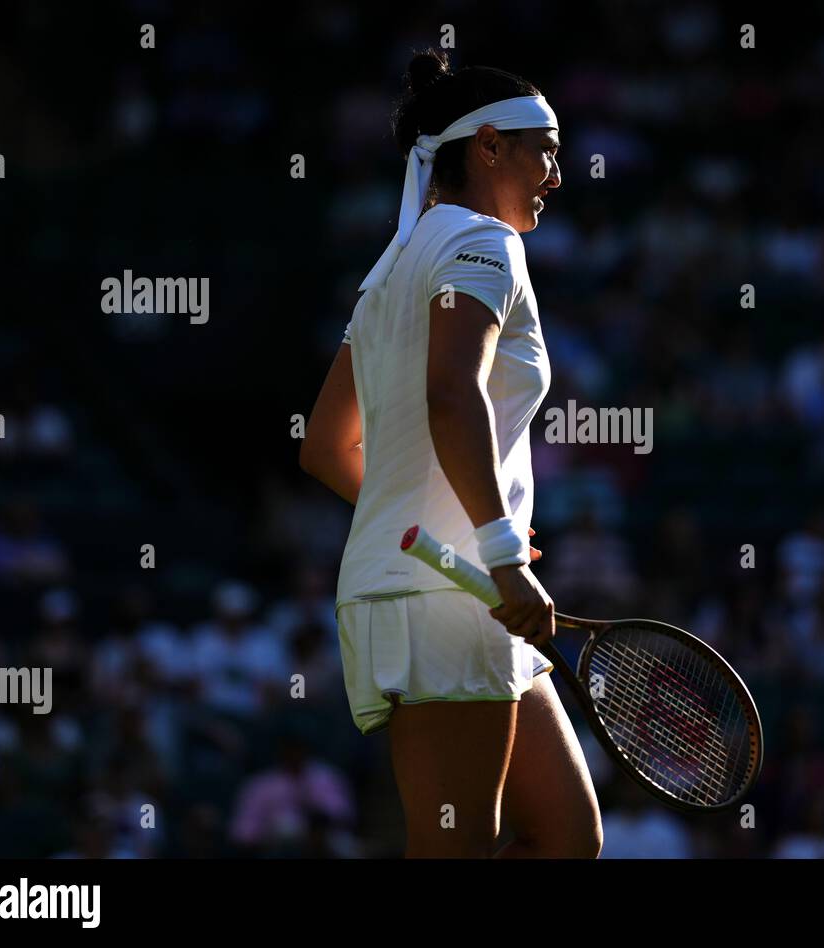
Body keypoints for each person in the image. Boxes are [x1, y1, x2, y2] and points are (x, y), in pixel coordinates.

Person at [300, 48, 601, 858]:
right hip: (449, 598)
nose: (557, 176)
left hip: (447, 585)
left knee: (568, 834)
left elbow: (328, 447)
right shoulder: (486, 246)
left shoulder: (390, 270)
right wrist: (498, 552)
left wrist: (454, 525)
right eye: (545, 150)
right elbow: (451, 393)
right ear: (488, 148)